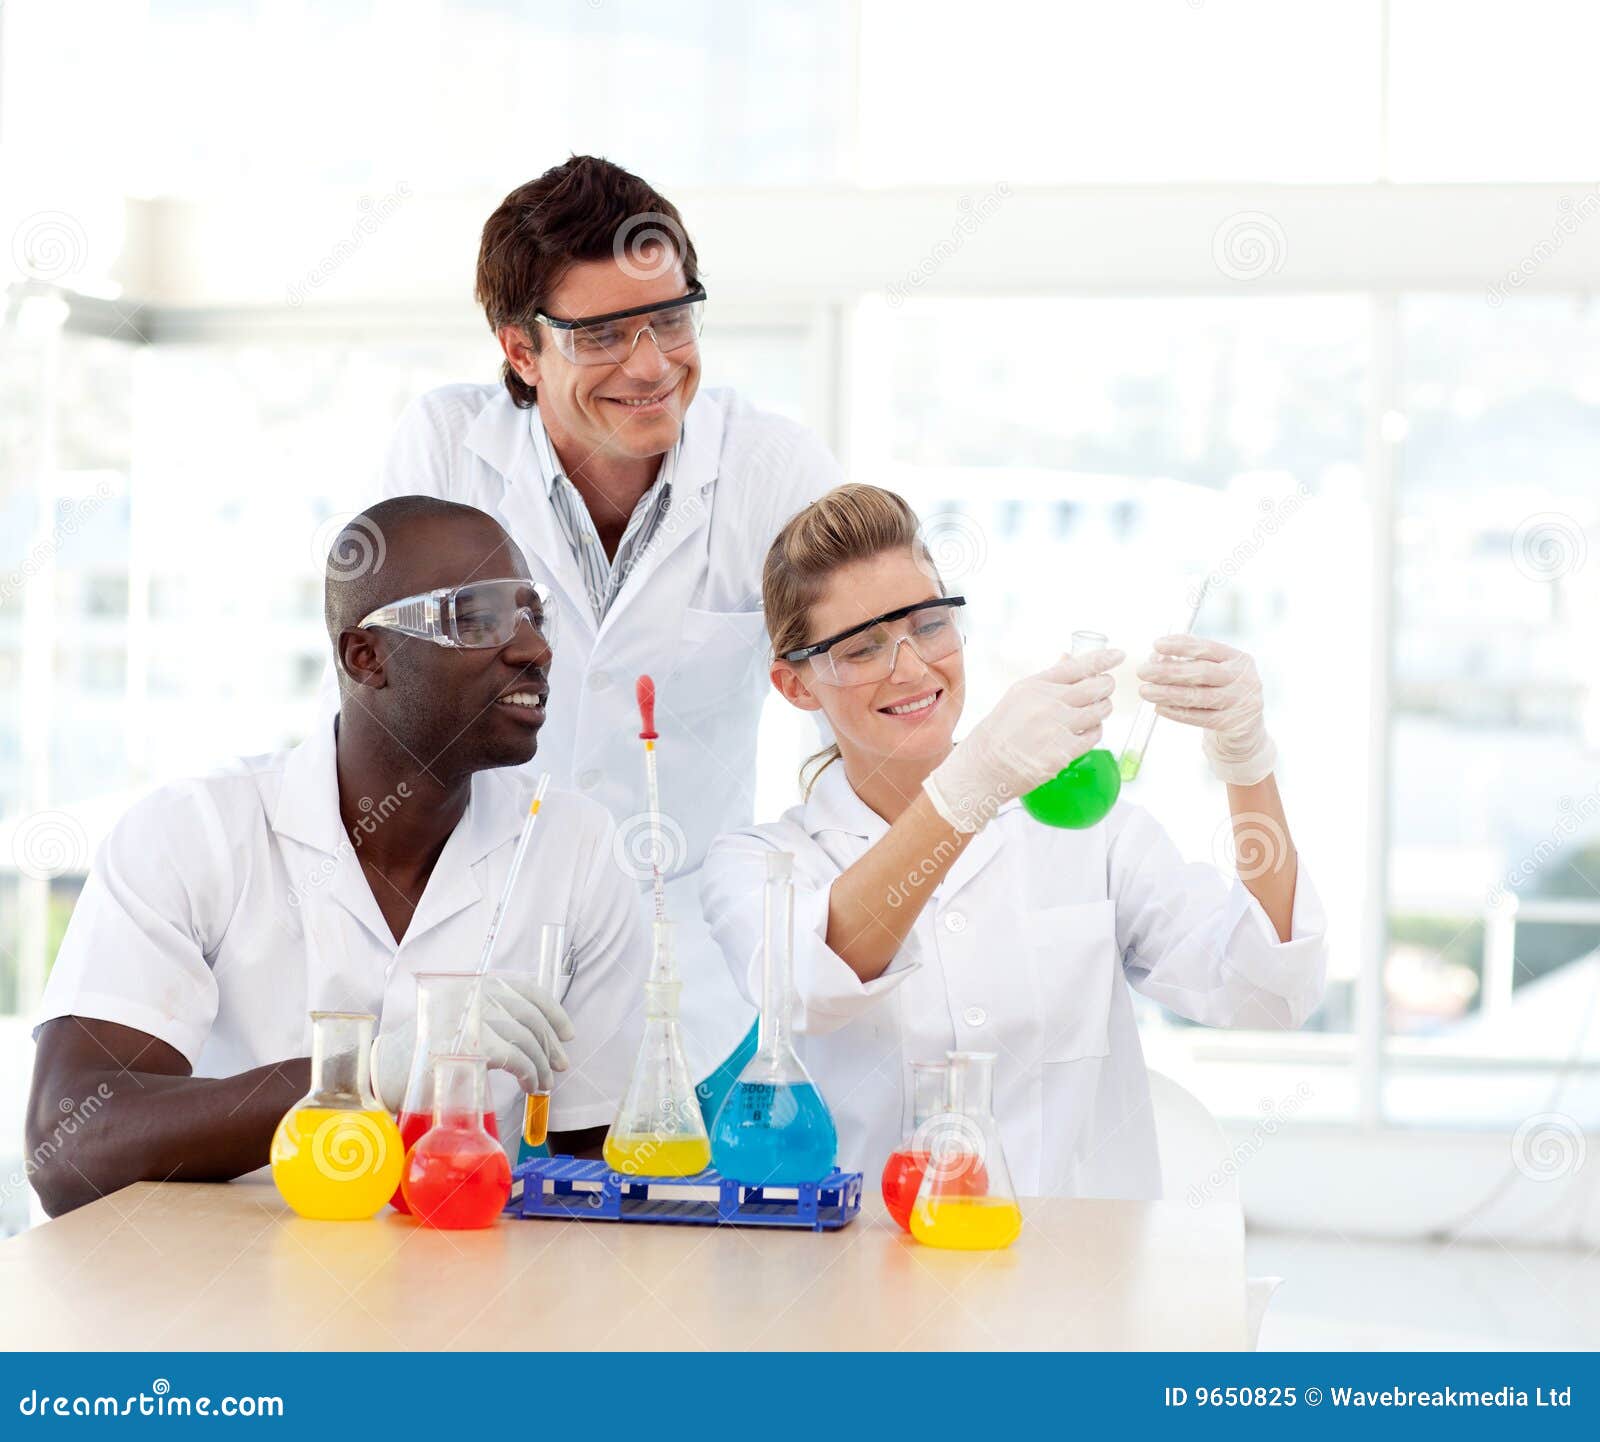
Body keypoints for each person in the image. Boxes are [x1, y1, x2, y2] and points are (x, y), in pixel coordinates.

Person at [355, 155, 842, 1098]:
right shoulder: (446, 452)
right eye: (604, 335)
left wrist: (815, 915)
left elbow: (858, 700)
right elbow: (386, 711)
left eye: (671, 318)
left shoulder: (771, 468)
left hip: (697, 998)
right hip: (472, 980)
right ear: (522, 352)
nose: (652, 365)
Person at [700, 484, 1328, 1198]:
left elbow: (1268, 991)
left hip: (1083, 1265)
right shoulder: (760, 865)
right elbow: (810, 986)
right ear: (796, 687)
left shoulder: (1089, 835)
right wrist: (971, 786)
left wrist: (1246, 763)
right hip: (867, 1262)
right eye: (862, 648)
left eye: (928, 625)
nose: (912, 668)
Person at [27, 496, 644, 1216]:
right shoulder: (192, 833)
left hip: (466, 1279)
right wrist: (356, 1079)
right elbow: (69, 1150)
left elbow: (593, 1186)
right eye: (476, 617)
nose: (534, 649)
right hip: (219, 1279)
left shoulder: (576, 850)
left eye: (534, 615)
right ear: (366, 656)